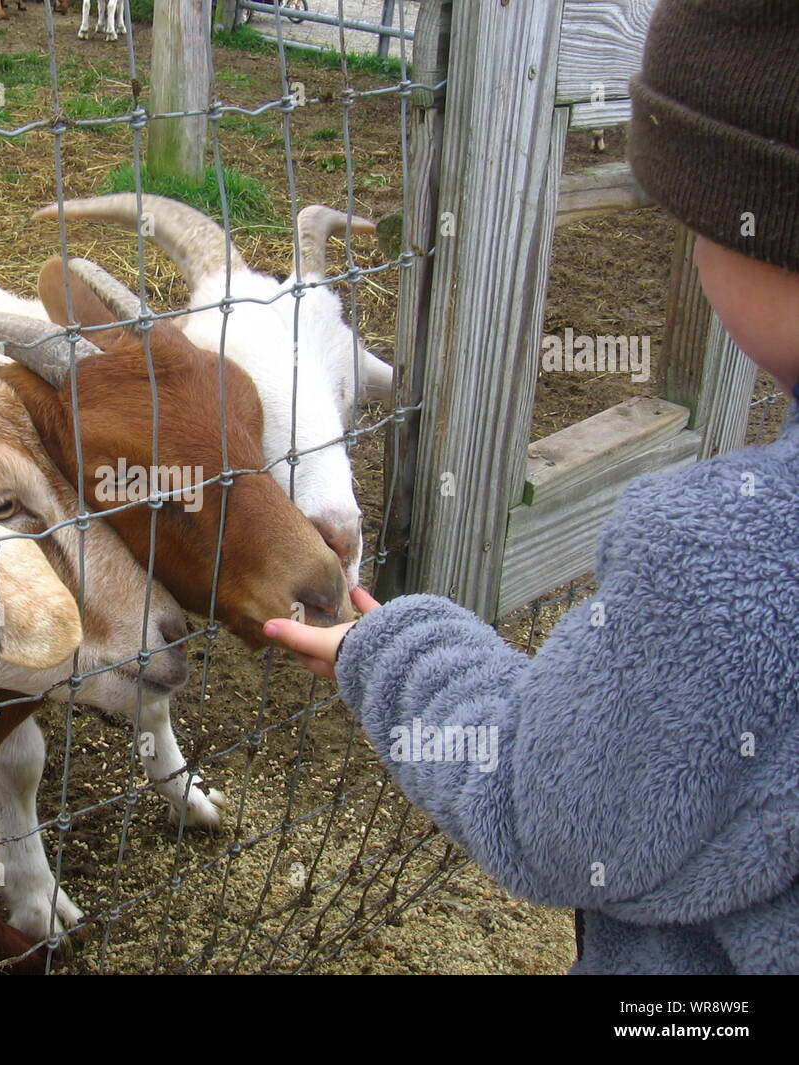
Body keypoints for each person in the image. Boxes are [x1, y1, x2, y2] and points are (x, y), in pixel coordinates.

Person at [263, 0, 799, 975]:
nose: (684, 244)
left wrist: (388, 648)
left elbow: (547, 803)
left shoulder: (728, 551)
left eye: (694, 219)